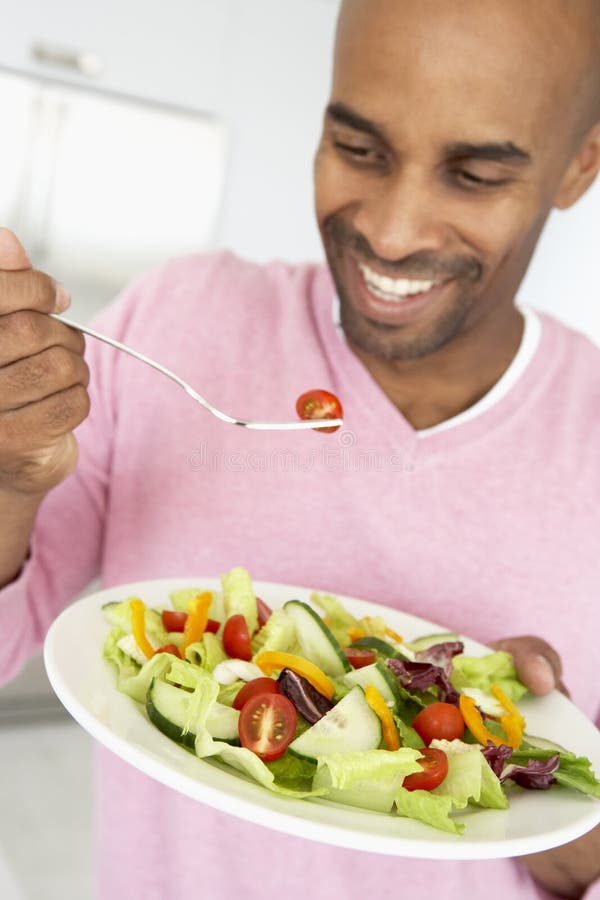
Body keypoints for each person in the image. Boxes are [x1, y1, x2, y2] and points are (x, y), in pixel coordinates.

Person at [1, 0, 599, 896]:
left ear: (579, 163)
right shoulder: (179, 319)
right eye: (358, 149)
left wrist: (569, 831)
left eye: (472, 175)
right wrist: (9, 481)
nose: (392, 233)